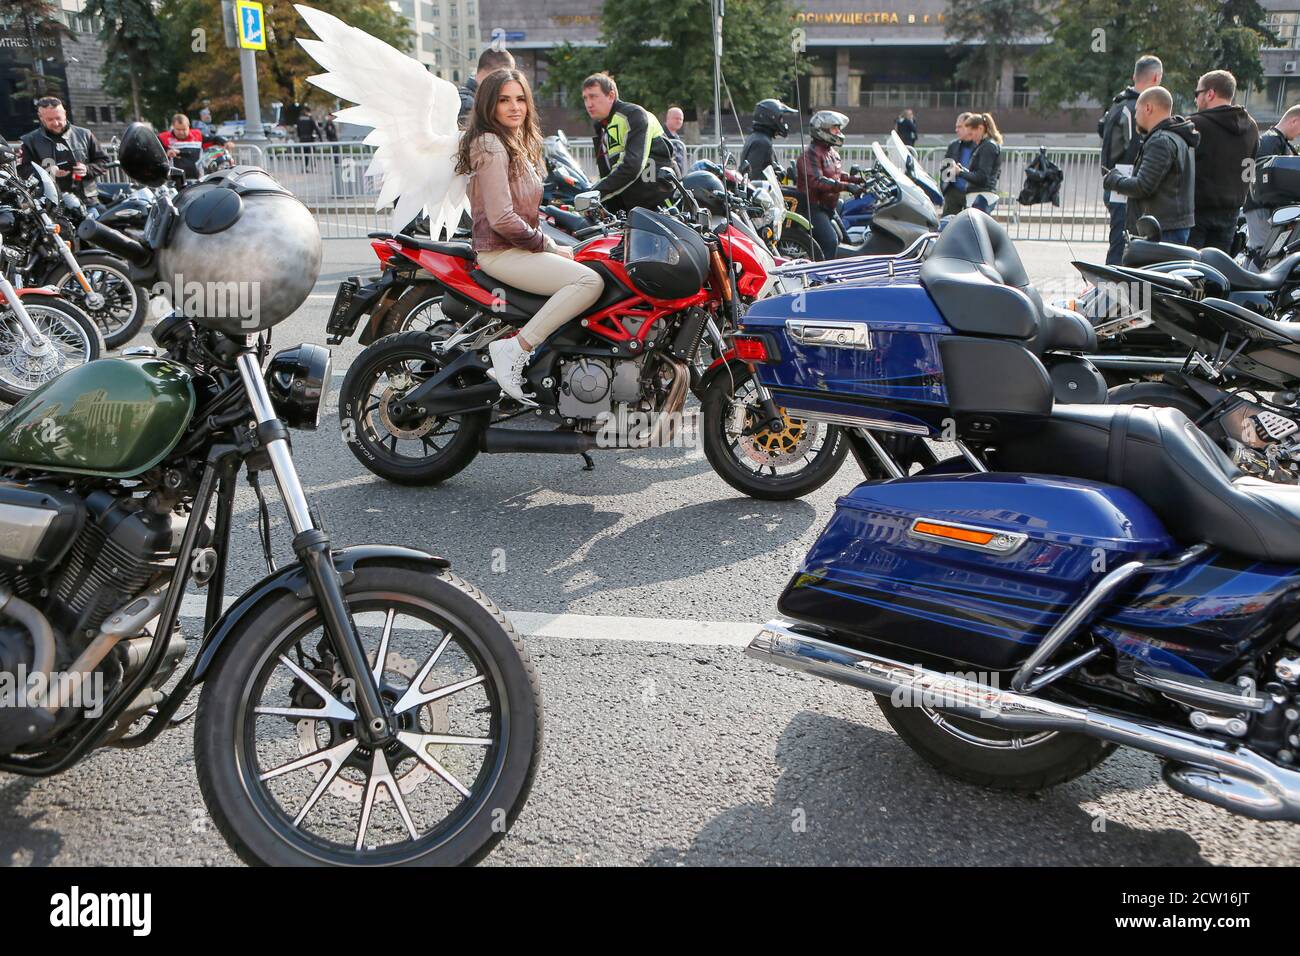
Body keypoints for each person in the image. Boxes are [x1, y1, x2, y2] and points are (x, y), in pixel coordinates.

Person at [458, 69, 603, 403]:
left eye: (520, 99)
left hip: (517, 247)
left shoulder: (515, 142)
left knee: (593, 261)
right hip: (500, 251)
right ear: (488, 105)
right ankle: (515, 349)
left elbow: (524, 205)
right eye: (504, 100)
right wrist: (547, 244)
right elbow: (502, 218)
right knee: (588, 283)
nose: (515, 107)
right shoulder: (490, 144)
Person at [1103, 86, 1199, 245]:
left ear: (1148, 108)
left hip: (1161, 229)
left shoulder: (1160, 141)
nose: (1135, 116)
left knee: (1154, 271)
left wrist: (1114, 180)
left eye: (1137, 110)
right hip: (1170, 226)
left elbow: (1143, 186)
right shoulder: (1178, 136)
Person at [582, 73, 677, 214]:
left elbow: (631, 166)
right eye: (585, 98)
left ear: (611, 96)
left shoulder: (634, 114)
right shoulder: (603, 127)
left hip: (659, 207)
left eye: (594, 96)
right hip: (631, 211)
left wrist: (593, 194)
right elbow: (609, 173)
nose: (589, 104)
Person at [1100, 55, 1164, 264]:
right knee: (1123, 248)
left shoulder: (1119, 105)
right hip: (1126, 186)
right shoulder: (1136, 109)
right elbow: (1137, 150)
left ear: (1134, 76)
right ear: (1156, 77)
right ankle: (1112, 294)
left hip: (1116, 182)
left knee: (1119, 243)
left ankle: (1111, 291)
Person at [1188, 69, 1259, 252]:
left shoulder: (1195, 124)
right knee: (1217, 273)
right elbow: (1249, 170)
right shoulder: (1252, 127)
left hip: (1196, 212)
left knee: (1187, 271)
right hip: (1231, 213)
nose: (1196, 99)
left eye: (1197, 93)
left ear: (1210, 93)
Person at [795, 110, 865, 258]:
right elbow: (817, 180)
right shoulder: (809, 155)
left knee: (846, 241)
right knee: (830, 242)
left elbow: (836, 175)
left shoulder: (830, 152)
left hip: (828, 208)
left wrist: (858, 180)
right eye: (835, 128)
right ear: (822, 130)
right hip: (813, 209)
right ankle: (820, 278)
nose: (838, 132)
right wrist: (847, 187)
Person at [17, 96, 109, 205]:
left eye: (58, 118)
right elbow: (22, 170)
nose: (56, 123)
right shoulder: (29, 140)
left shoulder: (85, 134)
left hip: (86, 200)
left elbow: (103, 162)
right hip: (50, 203)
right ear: (40, 117)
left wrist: (87, 169)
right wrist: (47, 172)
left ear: (65, 114)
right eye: (50, 119)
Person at [1244, 104, 1300, 249]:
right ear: (1294, 121)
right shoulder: (1271, 141)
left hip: (1262, 206)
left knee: (1261, 249)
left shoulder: (1275, 141)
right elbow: (1255, 174)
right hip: (1262, 207)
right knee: (1263, 249)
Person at [953, 112, 1002, 212]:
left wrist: (961, 172)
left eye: (971, 133)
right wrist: (963, 170)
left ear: (980, 128)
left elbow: (982, 177)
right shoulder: (984, 146)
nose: (971, 137)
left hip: (982, 197)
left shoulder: (987, 147)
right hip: (981, 196)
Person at [740, 97, 797, 183]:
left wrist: (786, 177)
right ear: (771, 118)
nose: (782, 122)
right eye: (780, 118)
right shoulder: (762, 143)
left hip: (767, 192)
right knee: (802, 196)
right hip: (762, 193)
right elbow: (754, 178)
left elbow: (771, 174)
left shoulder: (759, 138)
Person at [458, 47, 516, 128]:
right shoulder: (469, 105)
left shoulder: (477, 101)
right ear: (496, 73)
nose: (509, 82)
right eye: (506, 77)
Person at [940, 112, 971, 217]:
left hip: (972, 193)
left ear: (969, 127)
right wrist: (945, 190)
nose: (956, 130)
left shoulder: (980, 146)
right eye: (956, 127)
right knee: (947, 226)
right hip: (953, 192)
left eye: (960, 127)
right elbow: (944, 169)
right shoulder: (953, 146)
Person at [662, 105, 687, 176]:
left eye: (681, 119)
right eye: (676, 118)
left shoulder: (677, 137)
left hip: (676, 177)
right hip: (666, 177)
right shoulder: (661, 134)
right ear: (668, 118)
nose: (678, 121)